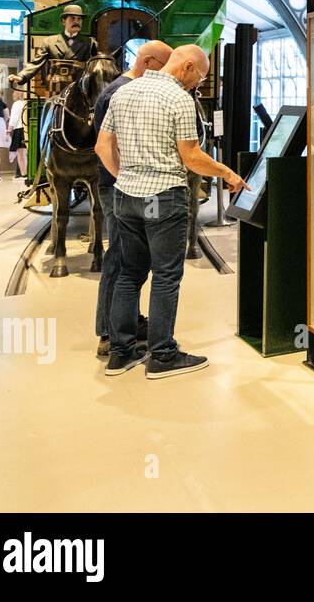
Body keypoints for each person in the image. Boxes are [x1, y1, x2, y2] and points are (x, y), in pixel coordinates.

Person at [96, 45, 248, 378]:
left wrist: (126, 178)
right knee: (166, 276)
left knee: (128, 274)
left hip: (126, 198)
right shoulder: (179, 99)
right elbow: (192, 157)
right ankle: (162, 355)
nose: (199, 84)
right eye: (202, 77)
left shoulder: (124, 91)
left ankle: (121, 354)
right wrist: (228, 174)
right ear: (188, 67)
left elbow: (102, 145)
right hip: (164, 198)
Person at [91, 40, 172, 359]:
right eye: (163, 68)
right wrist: (127, 179)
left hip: (122, 186)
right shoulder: (118, 92)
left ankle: (127, 321)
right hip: (117, 187)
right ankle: (109, 333)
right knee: (121, 259)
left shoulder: (125, 89)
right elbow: (106, 145)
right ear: (149, 62)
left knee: (132, 258)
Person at [10, 4, 100, 89]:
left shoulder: (89, 43)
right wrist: (21, 76)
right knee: (52, 105)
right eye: (72, 18)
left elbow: (95, 67)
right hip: (55, 86)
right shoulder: (49, 42)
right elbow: (37, 63)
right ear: (63, 21)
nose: (76, 22)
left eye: (79, 19)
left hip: (79, 87)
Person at [8, 88, 28, 179]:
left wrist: (9, 129)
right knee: (28, 153)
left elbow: (14, 118)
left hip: (20, 129)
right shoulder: (29, 103)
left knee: (21, 154)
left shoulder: (17, 104)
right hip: (29, 128)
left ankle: (24, 174)